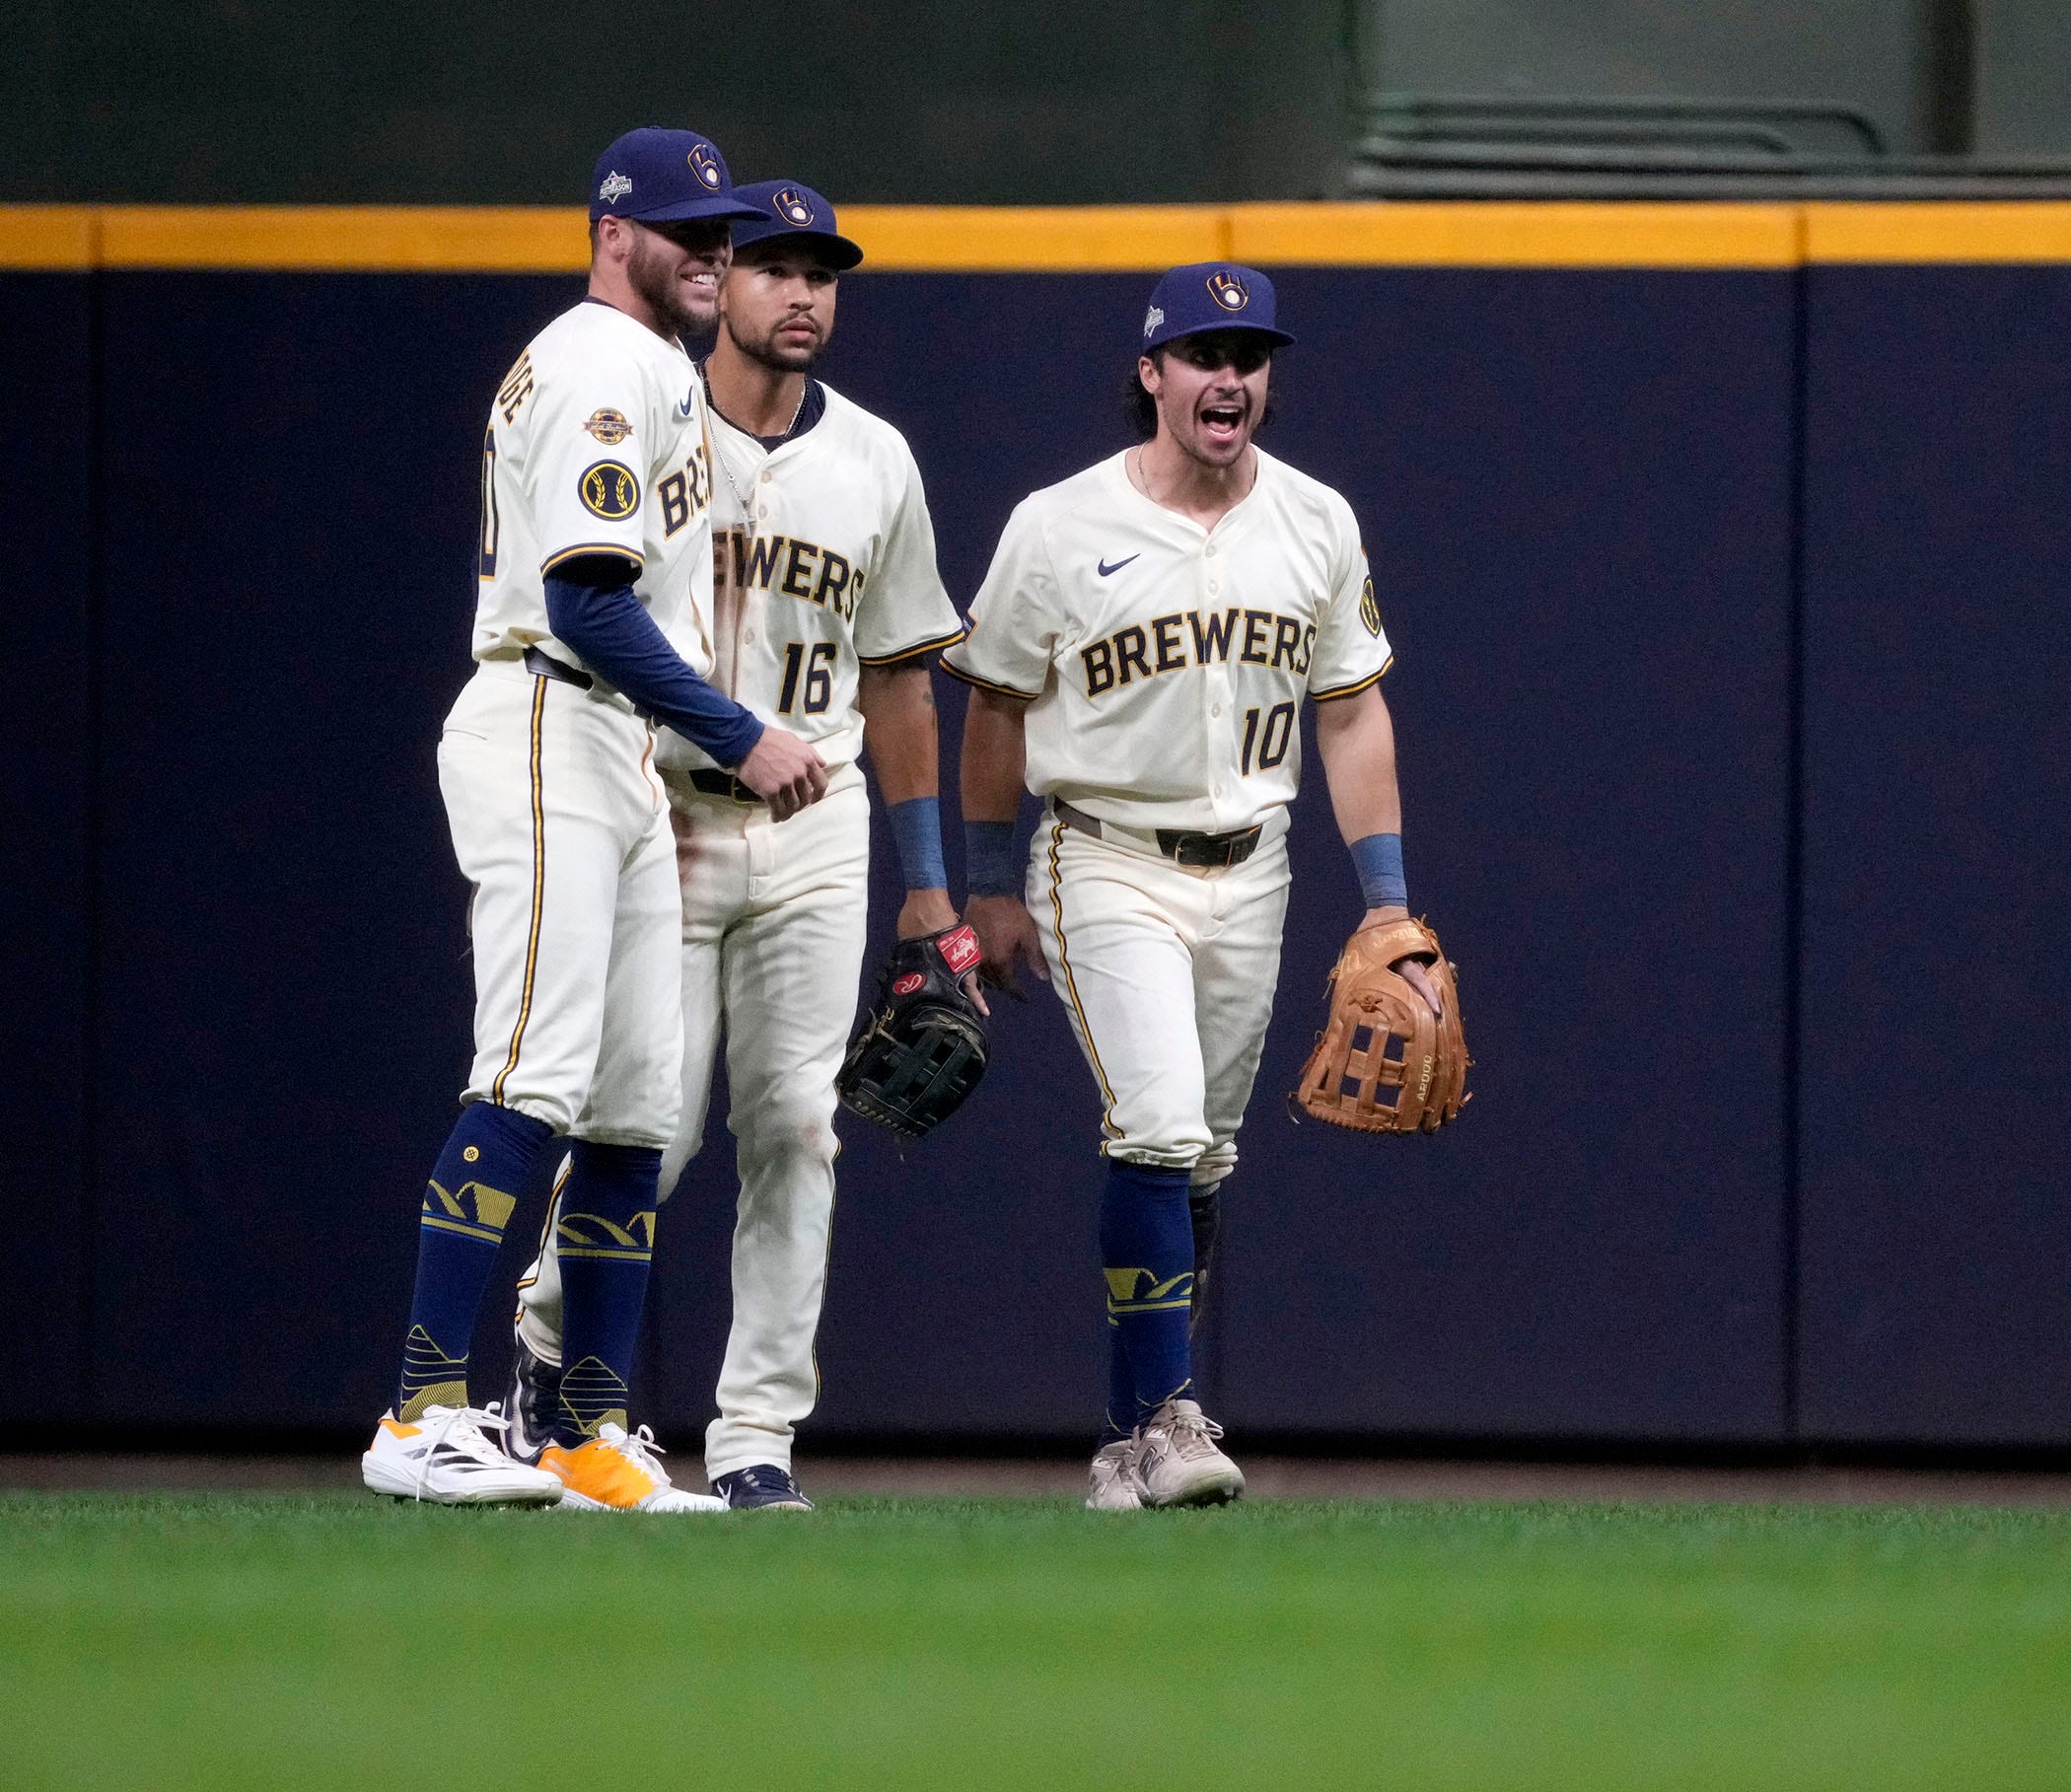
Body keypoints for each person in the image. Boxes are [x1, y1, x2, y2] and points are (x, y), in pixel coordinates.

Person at [361, 128, 828, 1512]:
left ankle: (584, 1430)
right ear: (613, 232)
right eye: (687, 232)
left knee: (634, 1105)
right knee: (534, 1073)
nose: (712, 256)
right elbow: (587, 600)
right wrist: (742, 734)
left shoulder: (654, 370)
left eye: (721, 235)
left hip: (616, 748)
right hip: (546, 719)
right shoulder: (596, 361)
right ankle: (421, 1408)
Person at [944, 262, 1440, 1511]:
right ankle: (1164, 1418)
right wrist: (989, 887)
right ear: (1152, 373)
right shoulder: (1057, 524)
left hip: (1252, 864)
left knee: (1204, 1157)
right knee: (1157, 1125)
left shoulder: (1318, 520)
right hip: (1101, 851)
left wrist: (1384, 899)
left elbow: (1352, 710)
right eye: (1204, 353)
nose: (1230, 376)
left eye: (1250, 354)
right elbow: (995, 705)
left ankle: (1127, 1438)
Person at [505, 180, 967, 1510]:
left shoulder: (876, 457)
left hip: (819, 830)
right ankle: (548, 1363)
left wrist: (928, 885)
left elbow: (900, 678)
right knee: (647, 1128)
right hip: (668, 808)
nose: (801, 293)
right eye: (771, 266)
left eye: (823, 271)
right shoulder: (652, 417)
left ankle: (757, 1435)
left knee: (797, 1132)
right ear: (721, 282)